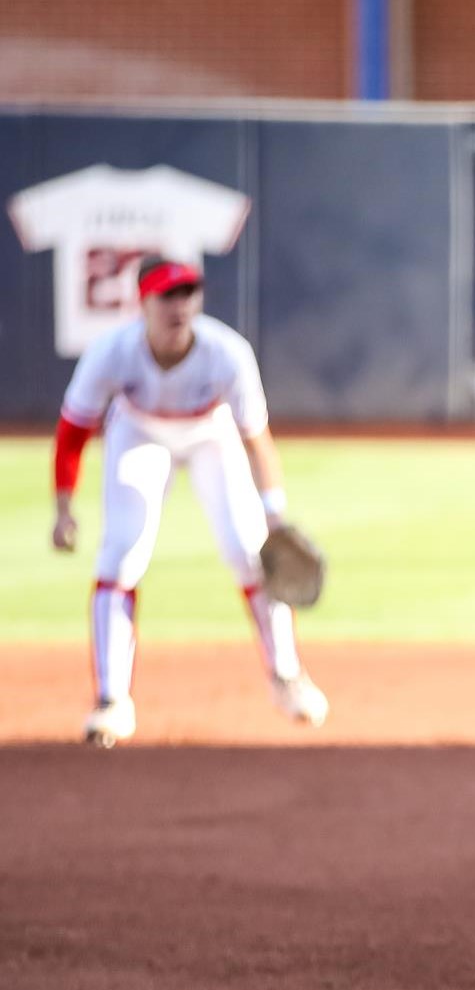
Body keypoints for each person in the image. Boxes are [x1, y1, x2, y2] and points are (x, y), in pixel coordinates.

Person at [51, 256, 330, 747]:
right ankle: (112, 701)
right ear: (144, 302)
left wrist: (274, 513)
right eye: (167, 295)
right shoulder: (111, 353)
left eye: (188, 294)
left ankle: (287, 678)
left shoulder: (227, 352)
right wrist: (63, 507)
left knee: (250, 552)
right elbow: (73, 430)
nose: (180, 306)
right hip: (138, 431)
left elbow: (257, 439)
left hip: (209, 434)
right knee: (121, 556)